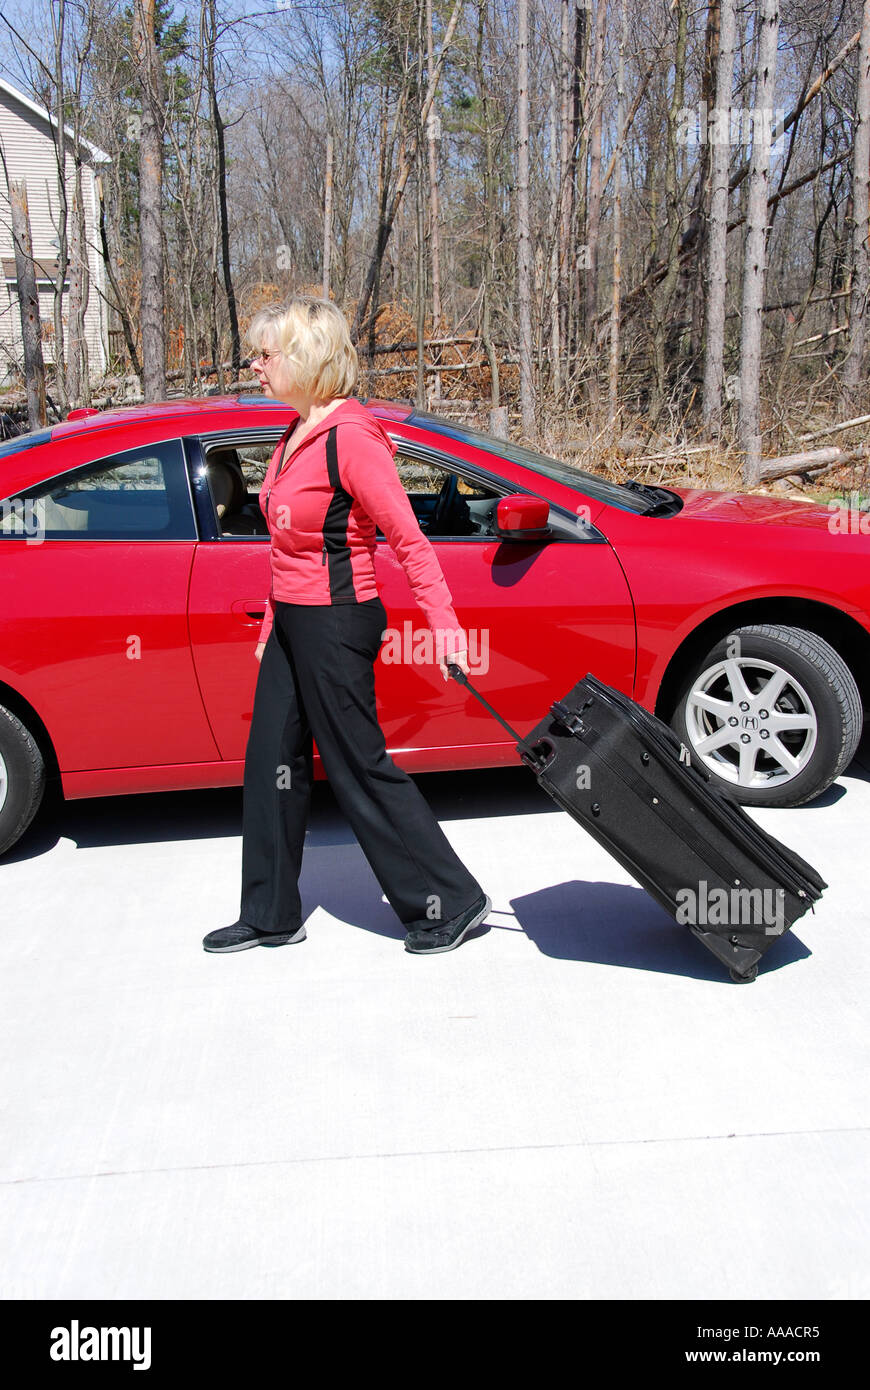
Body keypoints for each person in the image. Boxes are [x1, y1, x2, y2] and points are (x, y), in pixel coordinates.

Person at [203, 296, 491, 957]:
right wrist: (274, 617)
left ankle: (449, 899)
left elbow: (408, 540)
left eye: (266, 354)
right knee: (270, 761)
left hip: (338, 622)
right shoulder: (296, 429)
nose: (255, 366)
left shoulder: (351, 438)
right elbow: (288, 542)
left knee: (356, 764)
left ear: (305, 358)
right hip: (294, 622)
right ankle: (271, 912)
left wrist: (444, 626)